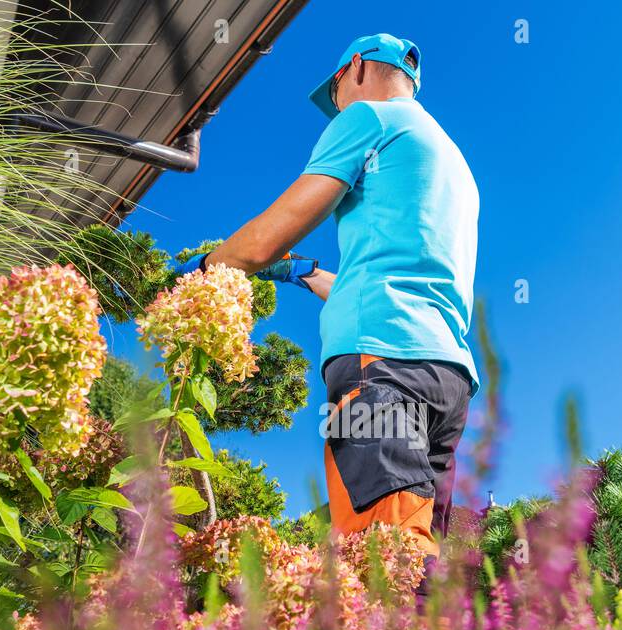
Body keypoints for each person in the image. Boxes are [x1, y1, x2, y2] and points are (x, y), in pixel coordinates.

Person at [174, 33, 479, 594]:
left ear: (355, 68)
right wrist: (302, 271)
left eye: (335, 91)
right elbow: (388, 277)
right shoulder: (448, 159)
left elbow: (269, 235)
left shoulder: (370, 119)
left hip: (380, 367)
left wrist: (202, 270)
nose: (336, 105)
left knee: (381, 562)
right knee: (420, 561)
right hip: (444, 378)